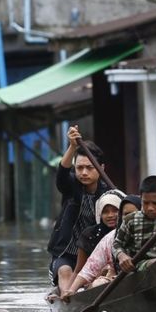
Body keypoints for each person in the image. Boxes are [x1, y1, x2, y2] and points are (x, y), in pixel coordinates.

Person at [47, 125, 112, 294]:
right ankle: (68, 297)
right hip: (66, 252)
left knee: (100, 278)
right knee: (65, 272)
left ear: (101, 168)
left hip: (95, 252)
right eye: (79, 168)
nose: (83, 173)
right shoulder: (71, 187)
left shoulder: (108, 195)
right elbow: (62, 175)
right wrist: (72, 147)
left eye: (89, 168)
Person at [73, 190, 125, 275]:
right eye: (105, 212)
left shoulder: (129, 230)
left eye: (115, 211)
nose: (110, 215)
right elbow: (79, 270)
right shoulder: (89, 234)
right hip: (93, 279)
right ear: (100, 214)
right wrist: (69, 288)